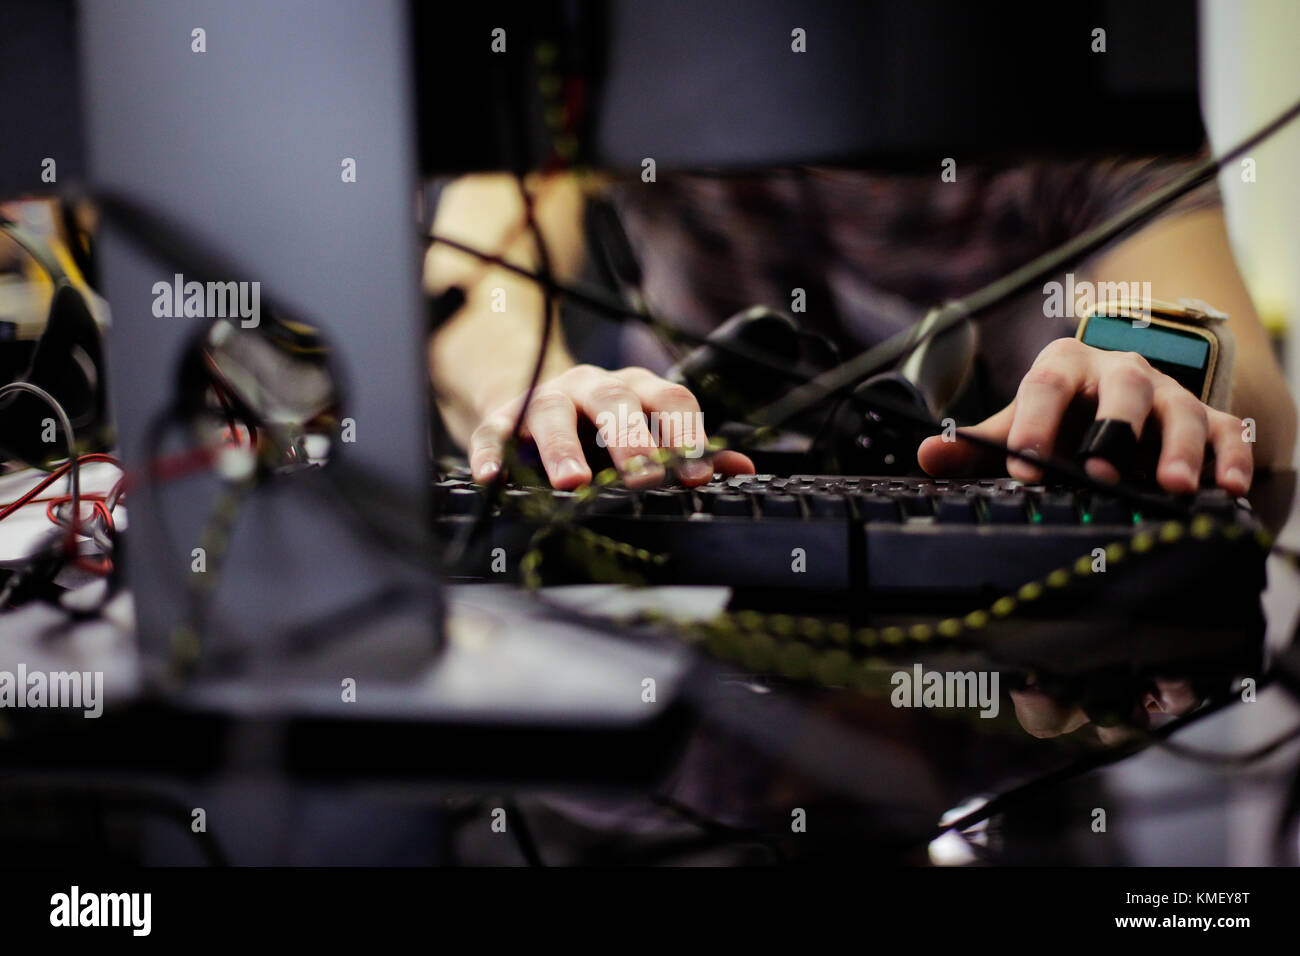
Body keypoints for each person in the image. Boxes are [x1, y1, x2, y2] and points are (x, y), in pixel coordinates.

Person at [424, 160, 1295, 493]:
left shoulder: (1058, 62)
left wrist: (1148, 385)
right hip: (681, 519)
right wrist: (533, 392)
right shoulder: (630, 43)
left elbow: (1230, 359)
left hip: (994, 630)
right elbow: (474, 274)